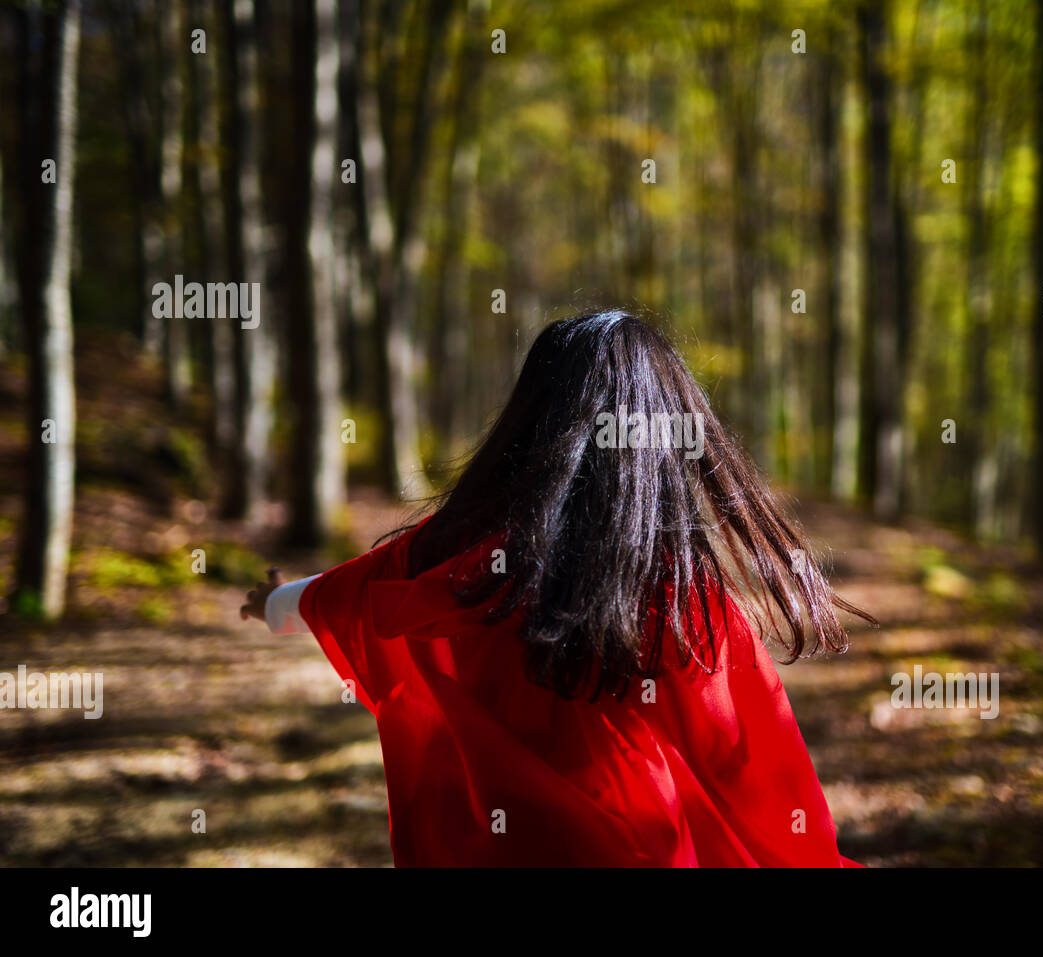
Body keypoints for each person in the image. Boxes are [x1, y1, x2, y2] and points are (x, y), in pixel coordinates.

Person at [240, 309, 874, 866]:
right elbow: (751, 762)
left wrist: (276, 605)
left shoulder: (469, 562)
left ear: (530, 422)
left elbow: (355, 593)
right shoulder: (676, 595)